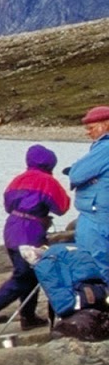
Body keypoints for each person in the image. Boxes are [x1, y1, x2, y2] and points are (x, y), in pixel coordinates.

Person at [0, 144, 70, 329]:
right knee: (24, 276)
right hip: (30, 230)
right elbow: (62, 207)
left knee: (30, 274)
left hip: (12, 226)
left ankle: (28, 317)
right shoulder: (47, 181)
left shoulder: (17, 180)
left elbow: (8, 205)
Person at [66, 105, 109, 263]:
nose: (88, 132)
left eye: (91, 127)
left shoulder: (105, 147)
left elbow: (76, 175)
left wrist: (81, 173)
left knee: (95, 262)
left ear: (105, 125)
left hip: (97, 215)